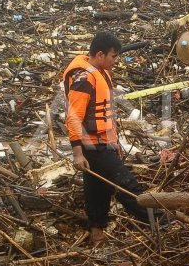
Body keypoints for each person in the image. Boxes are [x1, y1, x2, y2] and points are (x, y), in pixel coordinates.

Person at [62, 31, 155, 245]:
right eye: (114, 56)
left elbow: (105, 114)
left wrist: (114, 142)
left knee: (97, 188)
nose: (116, 61)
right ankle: (162, 223)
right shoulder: (84, 78)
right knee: (126, 186)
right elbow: (73, 117)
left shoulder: (100, 72)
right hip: (91, 145)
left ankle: (97, 231)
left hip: (103, 143)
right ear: (101, 54)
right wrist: (77, 154)